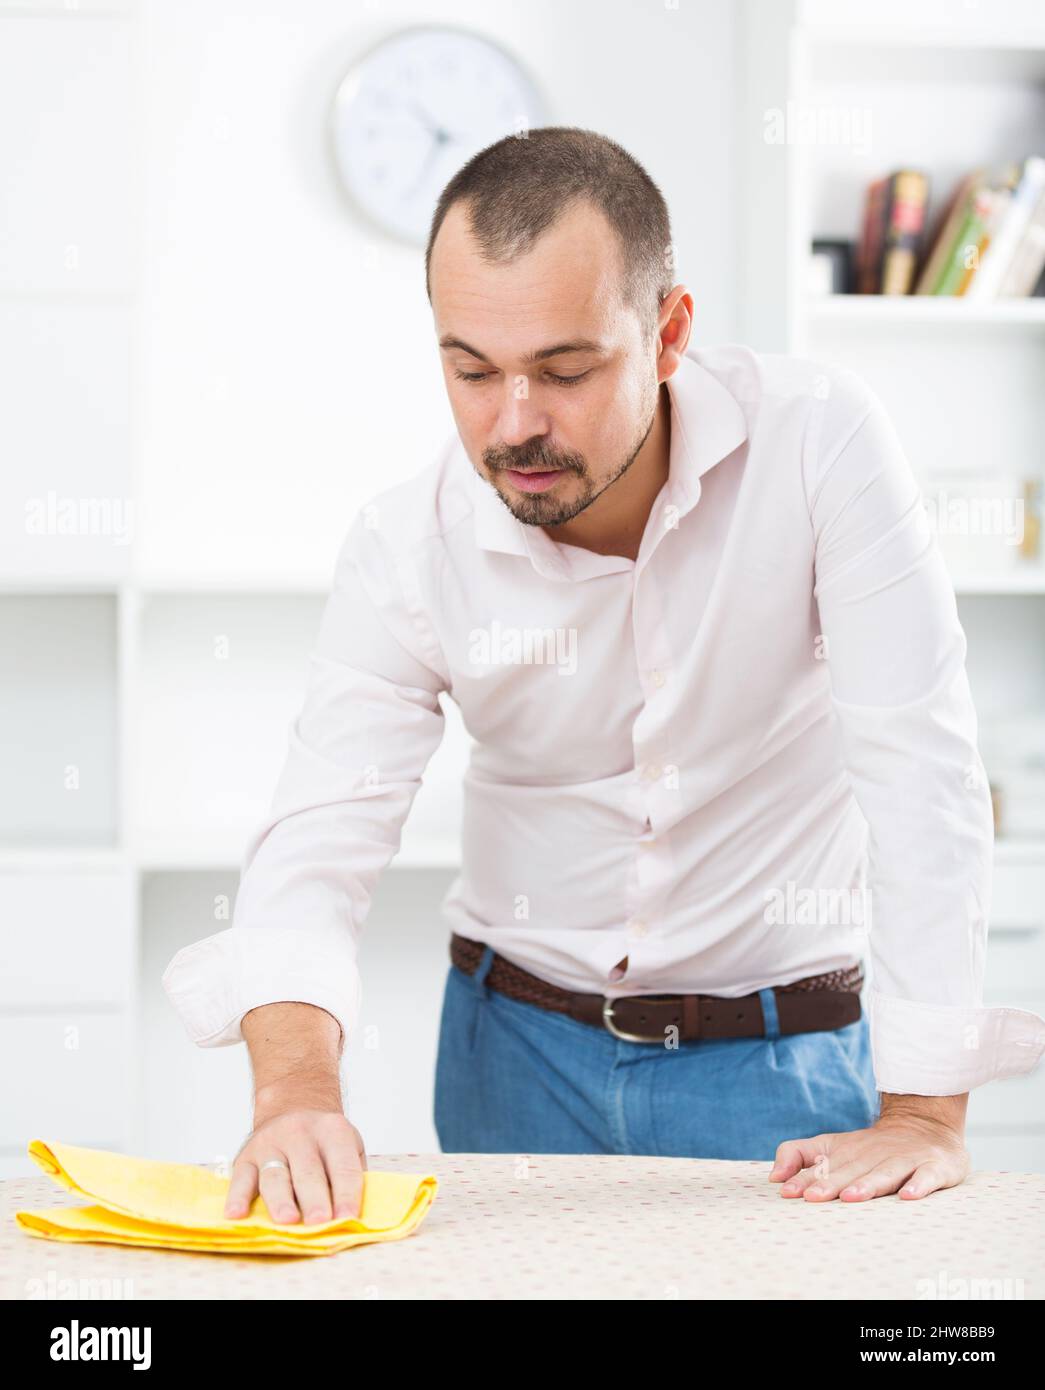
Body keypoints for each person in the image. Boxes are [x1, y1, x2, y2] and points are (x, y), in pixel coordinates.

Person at [163, 127, 1044, 1225]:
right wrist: (294, 1090)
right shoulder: (407, 546)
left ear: (668, 333)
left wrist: (924, 1112)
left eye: (566, 370)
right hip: (511, 1054)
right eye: (471, 369)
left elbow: (919, 771)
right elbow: (319, 832)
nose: (514, 421)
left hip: (781, 1062)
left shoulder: (819, 445)